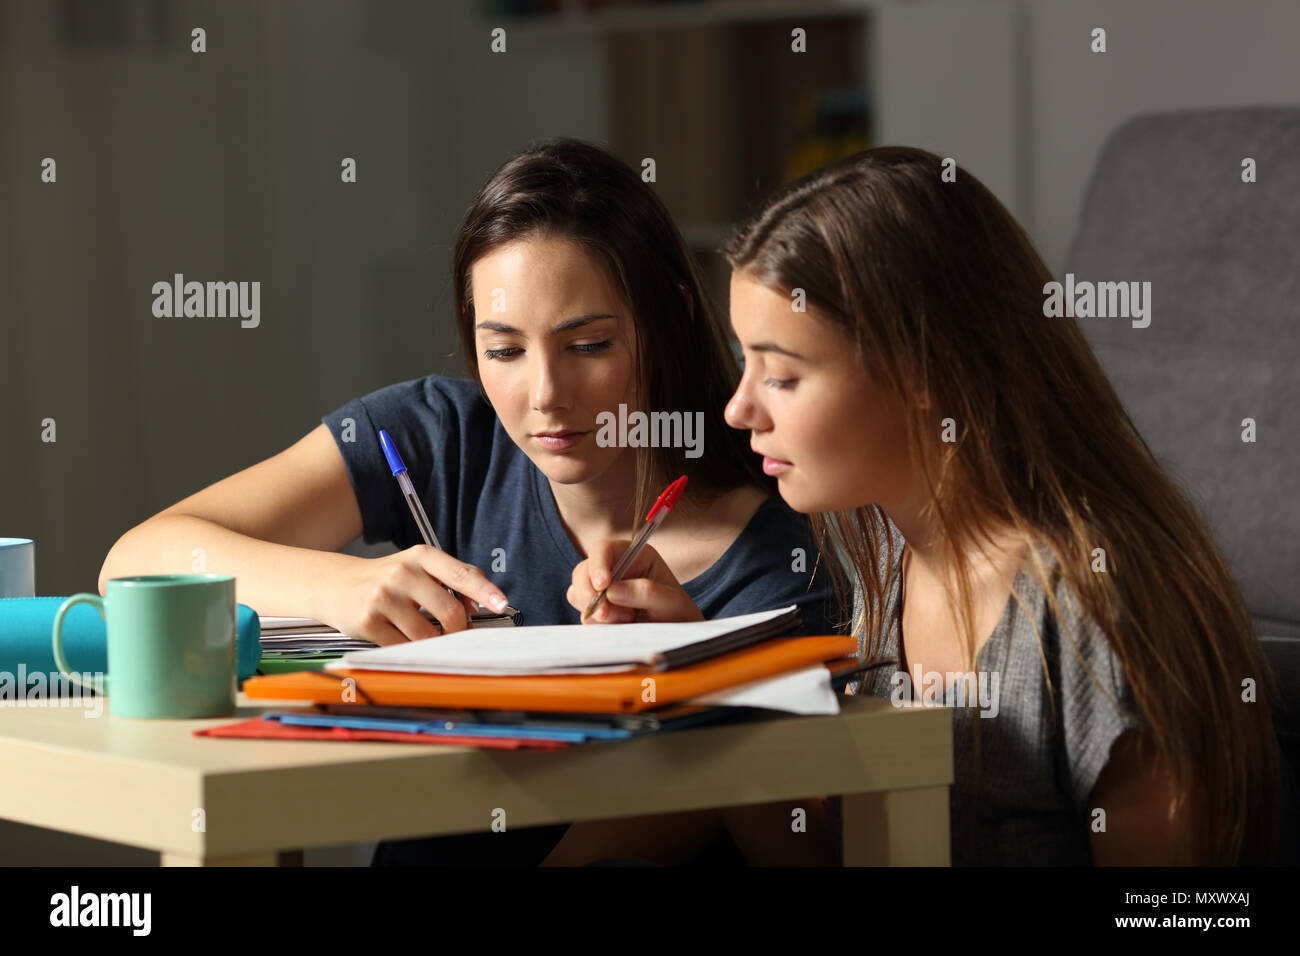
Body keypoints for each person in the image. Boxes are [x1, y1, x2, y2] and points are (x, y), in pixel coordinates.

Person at [99, 138, 837, 866]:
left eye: (588, 345)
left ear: (671, 317)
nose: (545, 395)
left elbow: (805, 851)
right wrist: (341, 583)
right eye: (505, 350)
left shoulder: (779, 562)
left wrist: (701, 680)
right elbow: (138, 558)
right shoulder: (441, 437)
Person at [567, 145, 1288, 865]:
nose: (737, 408)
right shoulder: (886, 556)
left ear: (922, 369)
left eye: (782, 375)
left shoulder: (1095, 599)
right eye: (743, 359)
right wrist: (702, 679)